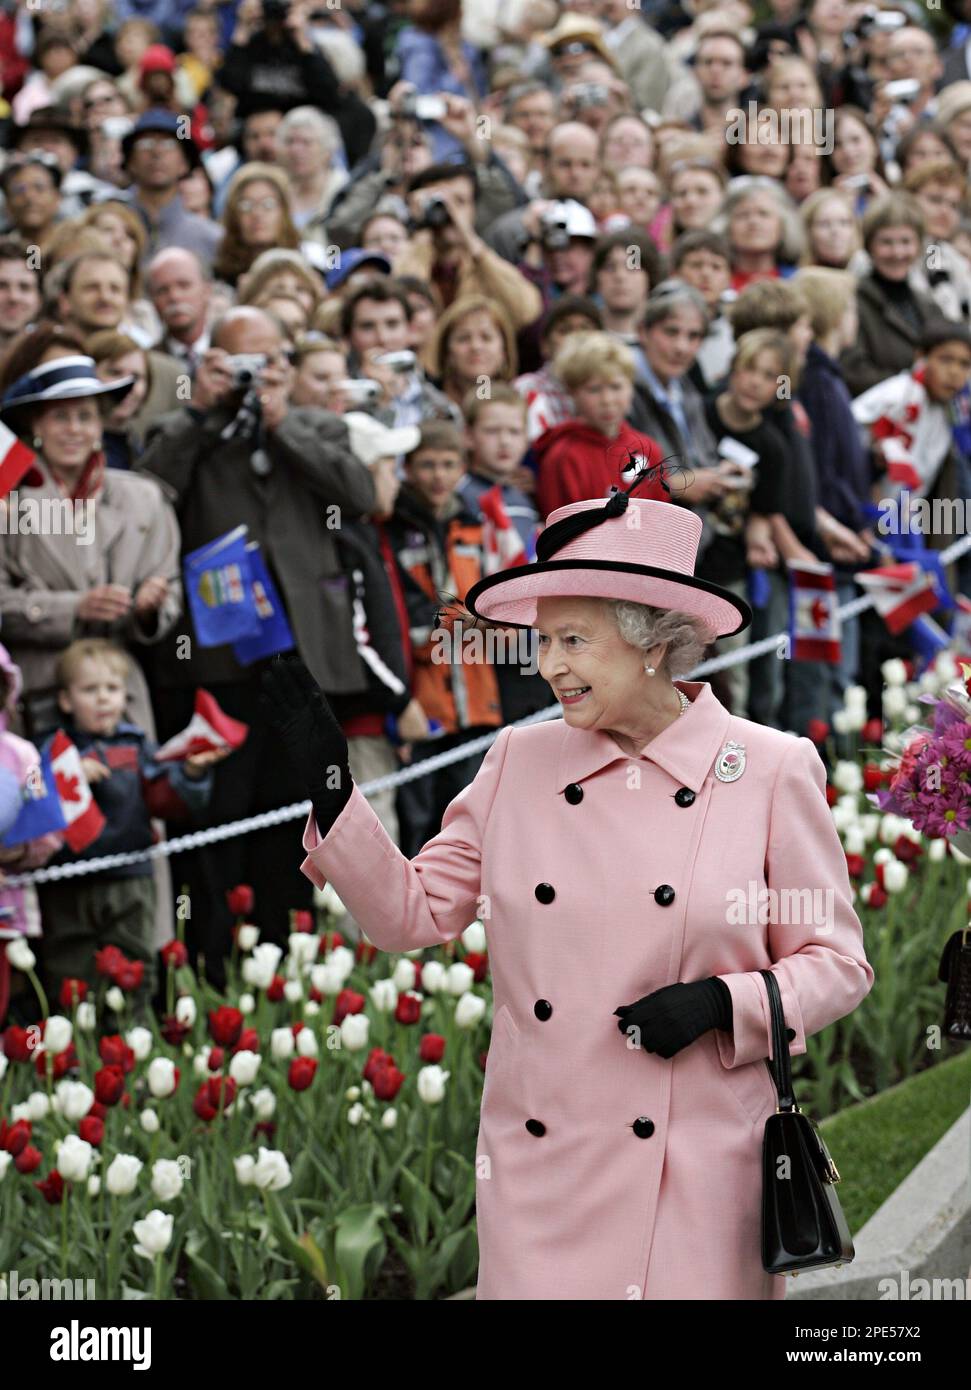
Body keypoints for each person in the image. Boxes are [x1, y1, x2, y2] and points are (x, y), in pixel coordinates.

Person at [261, 488, 873, 1300]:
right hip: (539, 1166)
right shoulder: (518, 759)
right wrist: (335, 791)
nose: (547, 665)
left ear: (652, 642)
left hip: (694, 1169)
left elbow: (836, 963)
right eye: (544, 640)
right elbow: (408, 916)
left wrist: (724, 1004)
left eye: (573, 640)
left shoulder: (766, 766)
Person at [136, 305, 378, 975]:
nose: (251, 376)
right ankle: (210, 964)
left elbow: (359, 495)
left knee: (297, 813)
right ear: (208, 364)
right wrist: (203, 413)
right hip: (216, 660)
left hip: (304, 658)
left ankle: (287, 956)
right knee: (215, 819)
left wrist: (281, 422)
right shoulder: (181, 429)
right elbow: (149, 490)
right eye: (236, 362)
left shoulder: (318, 424)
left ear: (288, 364)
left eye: (266, 361)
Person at [37, 638, 226, 1017]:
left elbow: (165, 799)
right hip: (70, 879)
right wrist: (68, 774)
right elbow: (31, 799)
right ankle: (77, 1050)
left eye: (113, 689)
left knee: (133, 964)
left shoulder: (139, 747)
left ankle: (129, 1041)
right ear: (65, 701)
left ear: (126, 697)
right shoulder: (52, 749)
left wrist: (191, 773)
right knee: (70, 966)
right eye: (90, 690)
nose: (103, 699)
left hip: (131, 878)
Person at [0, 354, 181, 744]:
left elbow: (169, 586)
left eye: (84, 417)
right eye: (59, 418)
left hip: (120, 695)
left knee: (126, 801)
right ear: (36, 426)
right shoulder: (6, 500)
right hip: (39, 695)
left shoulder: (144, 497)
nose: (73, 430)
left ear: (101, 425)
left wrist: (152, 609)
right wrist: (73, 609)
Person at [381, 419, 504, 856]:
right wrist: (466, 622)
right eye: (427, 464)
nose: (438, 475)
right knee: (417, 822)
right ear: (407, 469)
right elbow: (400, 614)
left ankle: (466, 924)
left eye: (448, 464)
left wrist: (489, 622)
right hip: (423, 698)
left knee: (467, 818)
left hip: (475, 696)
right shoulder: (393, 526)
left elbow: (497, 598)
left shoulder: (474, 523)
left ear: (463, 467)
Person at [533, 331, 669, 518]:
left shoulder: (649, 449)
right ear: (573, 393)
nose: (607, 400)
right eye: (594, 389)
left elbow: (661, 519)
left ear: (631, 387)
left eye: (616, 387)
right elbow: (559, 531)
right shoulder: (562, 457)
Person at [840, 193, 941, 398]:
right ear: (869, 247)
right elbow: (853, 371)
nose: (897, 252)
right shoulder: (852, 301)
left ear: (919, 246)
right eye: (886, 242)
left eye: (906, 241)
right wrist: (916, 387)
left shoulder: (927, 303)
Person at [120, 108, 222, 269]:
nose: (157, 152)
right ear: (130, 161)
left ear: (184, 163)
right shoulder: (112, 229)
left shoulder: (210, 237)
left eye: (169, 144)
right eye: (145, 144)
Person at [0, 240, 42, 354]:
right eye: (2, 286)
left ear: (39, 299)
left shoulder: (55, 356)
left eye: (25, 287)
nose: (14, 297)